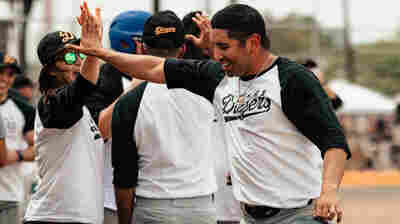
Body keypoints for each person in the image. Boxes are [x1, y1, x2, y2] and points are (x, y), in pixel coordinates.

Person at [70, 4, 351, 224]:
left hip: (297, 215)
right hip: (249, 216)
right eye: (213, 47)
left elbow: (334, 141)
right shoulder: (218, 77)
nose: (215, 54)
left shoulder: (291, 80)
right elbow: (154, 68)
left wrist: (328, 190)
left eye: (223, 47)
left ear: (252, 43)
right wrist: (100, 53)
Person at [110, 10, 218, 224]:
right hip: (200, 207)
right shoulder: (210, 89)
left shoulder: (129, 102)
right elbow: (237, 76)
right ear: (183, 48)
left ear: (141, 47)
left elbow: (124, 177)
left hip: (152, 208)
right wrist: (210, 49)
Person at [24, 3, 105, 224]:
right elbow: (82, 88)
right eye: (70, 57)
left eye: (80, 55)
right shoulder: (52, 104)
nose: (78, 62)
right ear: (50, 68)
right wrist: (93, 53)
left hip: (78, 217)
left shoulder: (85, 108)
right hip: (55, 217)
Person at [183, 10, 241, 224]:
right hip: (202, 197)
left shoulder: (230, 81)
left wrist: (209, 50)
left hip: (227, 197)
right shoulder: (179, 82)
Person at [98, 9, 152, 224]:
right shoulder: (104, 79)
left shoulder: (165, 75)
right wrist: (137, 83)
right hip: (111, 198)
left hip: (156, 197)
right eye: (147, 41)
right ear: (131, 43)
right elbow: (101, 130)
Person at [0, 51, 35, 224]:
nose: (4, 79)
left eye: (10, 74)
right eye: (0, 72)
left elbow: (39, 148)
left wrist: (17, 155)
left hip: (9, 196)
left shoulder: (23, 109)